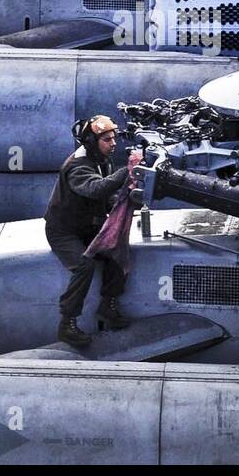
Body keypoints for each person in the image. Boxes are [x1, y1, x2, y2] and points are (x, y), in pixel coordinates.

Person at [43, 115, 143, 347]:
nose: (113, 143)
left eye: (113, 138)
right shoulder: (76, 166)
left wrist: (126, 200)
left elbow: (106, 198)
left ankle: (108, 306)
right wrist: (127, 172)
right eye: (107, 139)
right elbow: (94, 189)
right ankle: (67, 324)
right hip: (64, 231)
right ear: (91, 141)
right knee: (84, 265)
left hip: (88, 225)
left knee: (117, 251)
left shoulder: (102, 159)